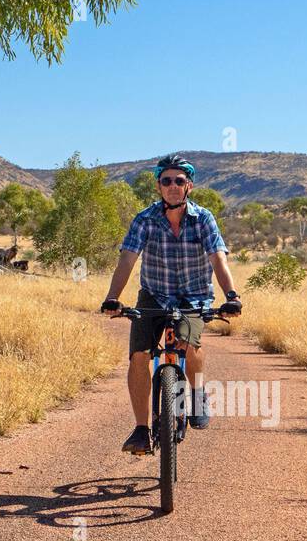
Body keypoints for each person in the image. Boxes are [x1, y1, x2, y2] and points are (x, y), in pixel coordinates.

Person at [100, 154, 242, 454]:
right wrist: (113, 297)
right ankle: (140, 429)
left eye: (179, 180)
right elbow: (127, 259)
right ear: (159, 186)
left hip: (193, 296)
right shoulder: (145, 219)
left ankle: (197, 393)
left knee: (190, 345)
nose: (173, 186)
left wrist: (231, 296)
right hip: (154, 294)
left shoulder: (203, 219)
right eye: (167, 181)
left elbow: (218, 258)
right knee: (139, 355)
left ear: (188, 185)